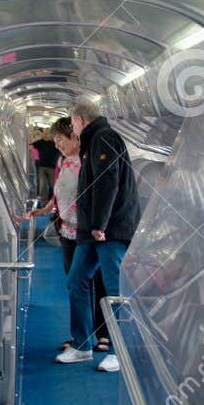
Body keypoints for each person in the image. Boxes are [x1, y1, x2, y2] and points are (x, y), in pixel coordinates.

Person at [56, 97, 140, 372]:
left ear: (80, 120)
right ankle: (82, 345)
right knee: (76, 280)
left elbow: (107, 183)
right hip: (93, 229)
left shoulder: (104, 138)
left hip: (109, 229)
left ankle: (121, 350)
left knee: (115, 289)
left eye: (72, 124)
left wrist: (100, 225)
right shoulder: (92, 141)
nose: (73, 129)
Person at [21, 118, 110, 354]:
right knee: (75, 284)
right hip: (67, 230)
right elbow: (58, 191)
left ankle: (103, 333)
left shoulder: (89, 160)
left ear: (73, 137)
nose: (57, 144)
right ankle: (82, 334)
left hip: (90, 231)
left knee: (97, 283)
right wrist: (45, 209)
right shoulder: (63, 161)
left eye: (60, 139)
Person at [30, 127, 58, 201]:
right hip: (42, 166)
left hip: (52, 167)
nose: (45, 135)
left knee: (52, 184)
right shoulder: (40, 142)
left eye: (47, 133)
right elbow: (31, 145)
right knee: (42, 185)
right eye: (44, 133)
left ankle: (52, 199)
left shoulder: (53, 143)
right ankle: (43, 200)